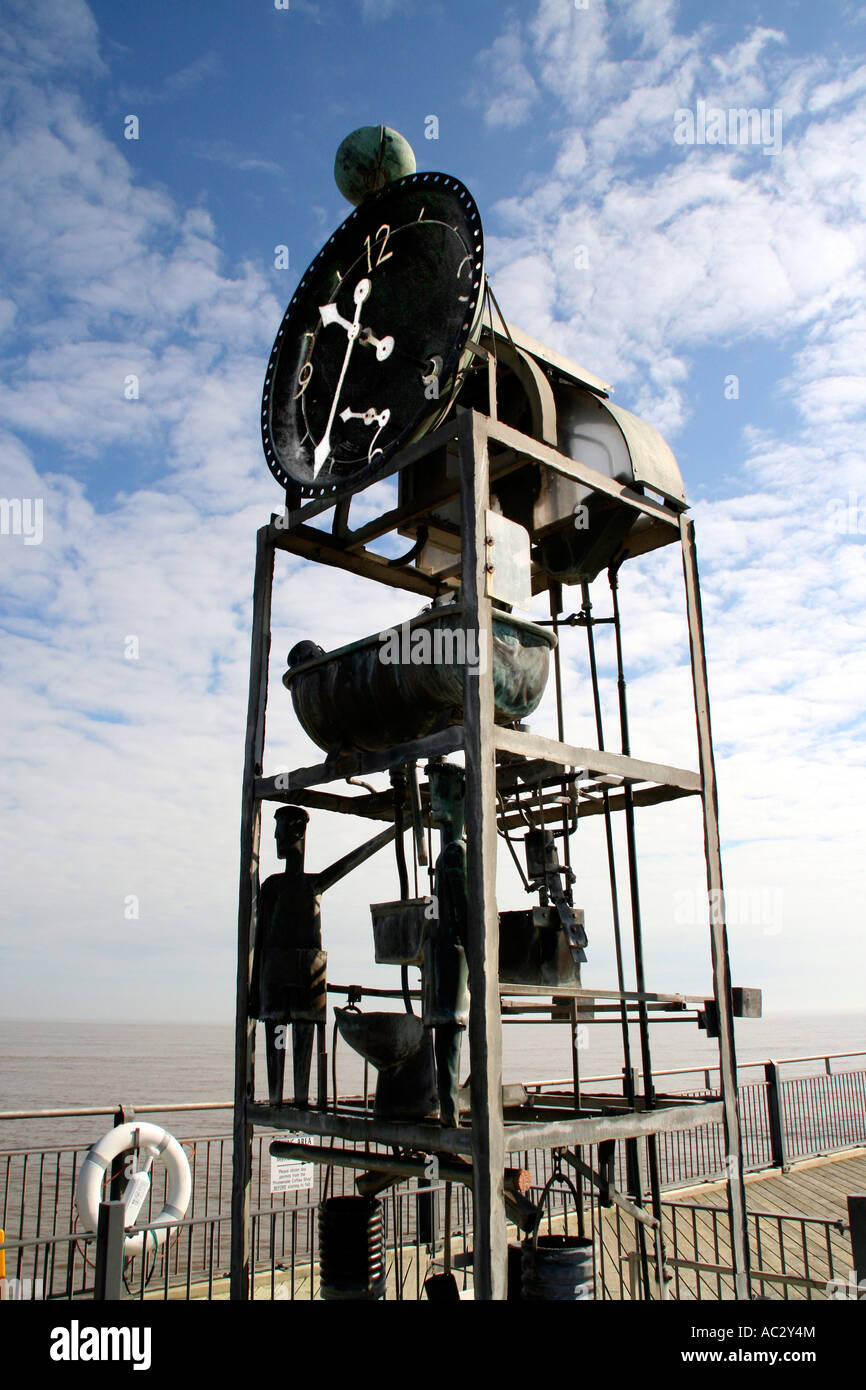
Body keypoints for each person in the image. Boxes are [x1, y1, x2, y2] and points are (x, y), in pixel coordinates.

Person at [250, 806, 393, 1106]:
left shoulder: (309, 885)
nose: (277, 841)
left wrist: (396, 828)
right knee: (278, 1033)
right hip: (276, 975)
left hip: (301, 975)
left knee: (301, 1033)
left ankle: (300, 1097)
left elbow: (356, 857)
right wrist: (253, 993)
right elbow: (259, 941)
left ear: (299, 832)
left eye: (281, 834)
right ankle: (278, 1097)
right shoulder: (273, 887)